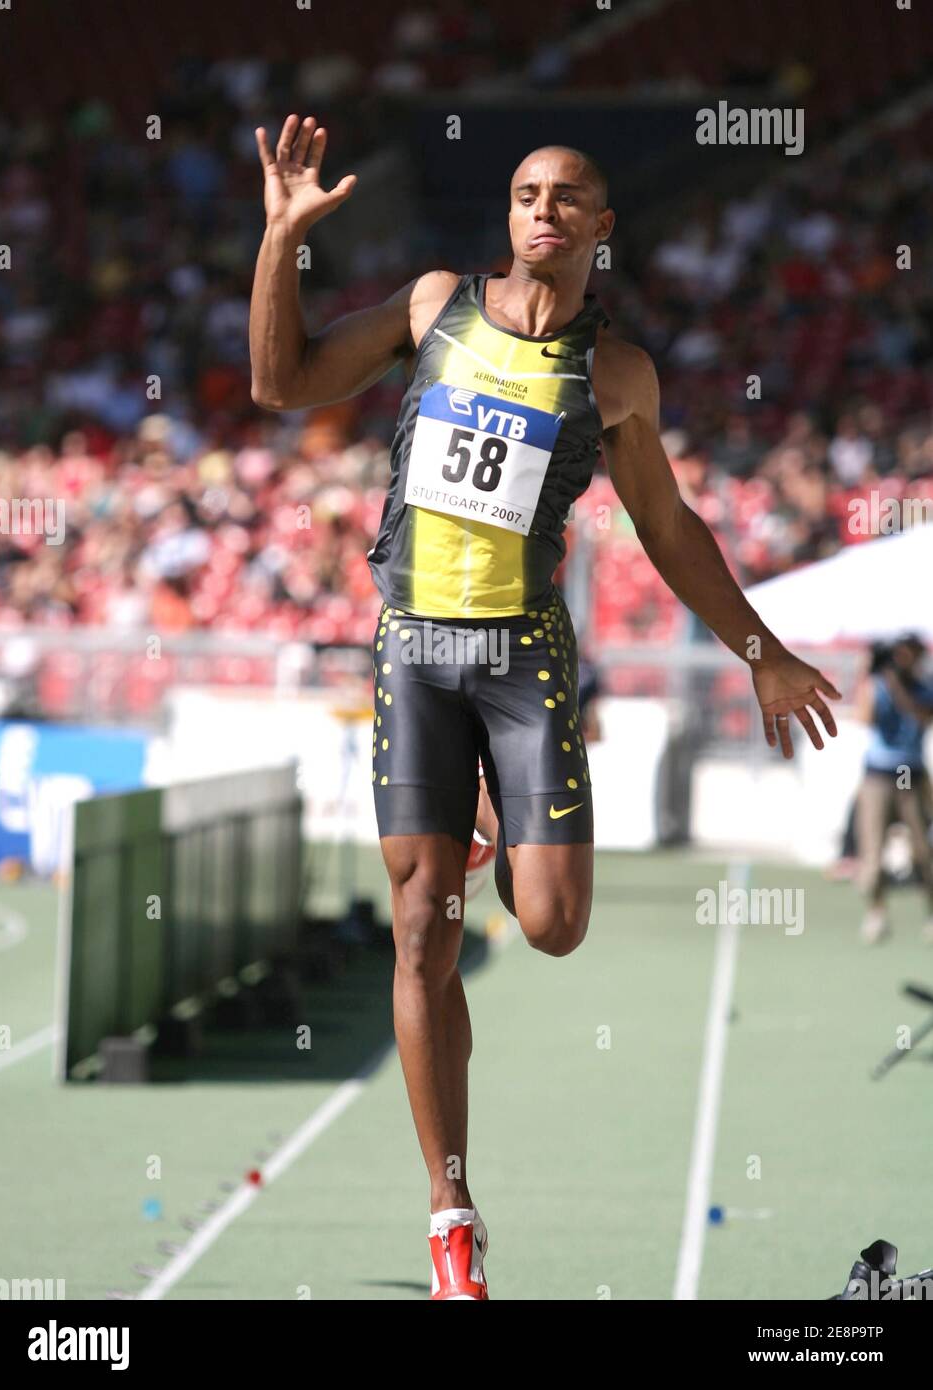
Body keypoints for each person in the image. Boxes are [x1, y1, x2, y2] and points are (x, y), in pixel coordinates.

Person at [249, 115, 841, 1300]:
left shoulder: (614, 376)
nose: (543, 210)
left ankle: (486, 814)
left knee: (555, 921)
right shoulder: (432, 309)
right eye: (526, 192)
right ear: (508, 215)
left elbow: (667, 530)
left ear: (600, 228)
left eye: (568, 196)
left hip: (523, 660)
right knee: (421, 928)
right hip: (413, 649)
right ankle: (450, 1213)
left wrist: (759, 649)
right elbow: (279, 383)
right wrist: (280, 242)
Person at [854, 634, 933, 944]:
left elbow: (922, 715)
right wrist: (871, 678)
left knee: (922, 851)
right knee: (872, 853)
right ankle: (876, 911)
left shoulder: (923, 687)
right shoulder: (878, 686)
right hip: (880, 775)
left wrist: (899, 687)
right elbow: (866, 718)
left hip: (909, 775)